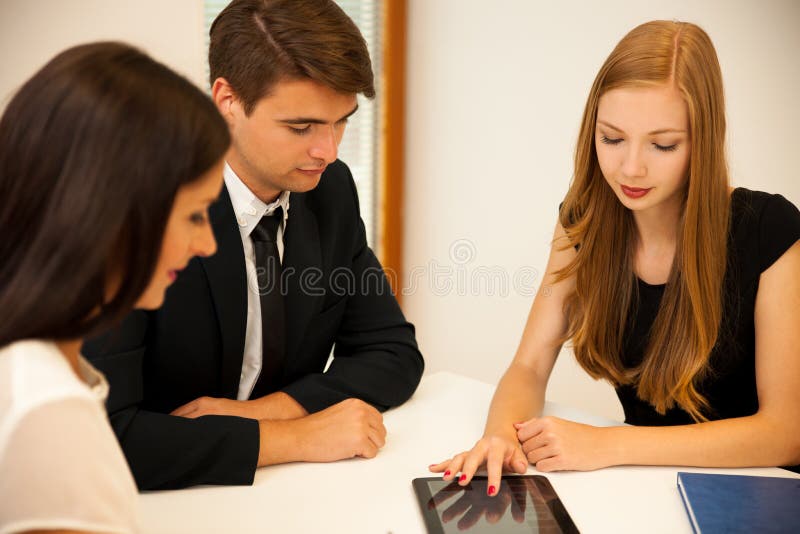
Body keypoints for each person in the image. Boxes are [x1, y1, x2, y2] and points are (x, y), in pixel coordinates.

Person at [430, 19, 800, 496]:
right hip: (648, 489)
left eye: (663, 144)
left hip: (760, 496)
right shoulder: (583, 220)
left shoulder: (769, 229)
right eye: (612, 138)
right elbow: (530, 364)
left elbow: (786, 434)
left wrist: (610, 444)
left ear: (703, 142)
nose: (630, 168)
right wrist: (502, 435)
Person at [83, 0, 424, 490]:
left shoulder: (330, 190)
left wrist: (270, 411)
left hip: (286, 497)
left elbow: (393, 352)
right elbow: (105, 434)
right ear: (227, 101)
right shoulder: (141, 206)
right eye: (301, 127)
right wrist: (293, 437)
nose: (328, 150)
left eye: (342, 120)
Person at [0, 42, 229, 533]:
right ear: (111, 215)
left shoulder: (33, 365)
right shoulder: (48, 415)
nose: (208, 243)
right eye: (194, 215)